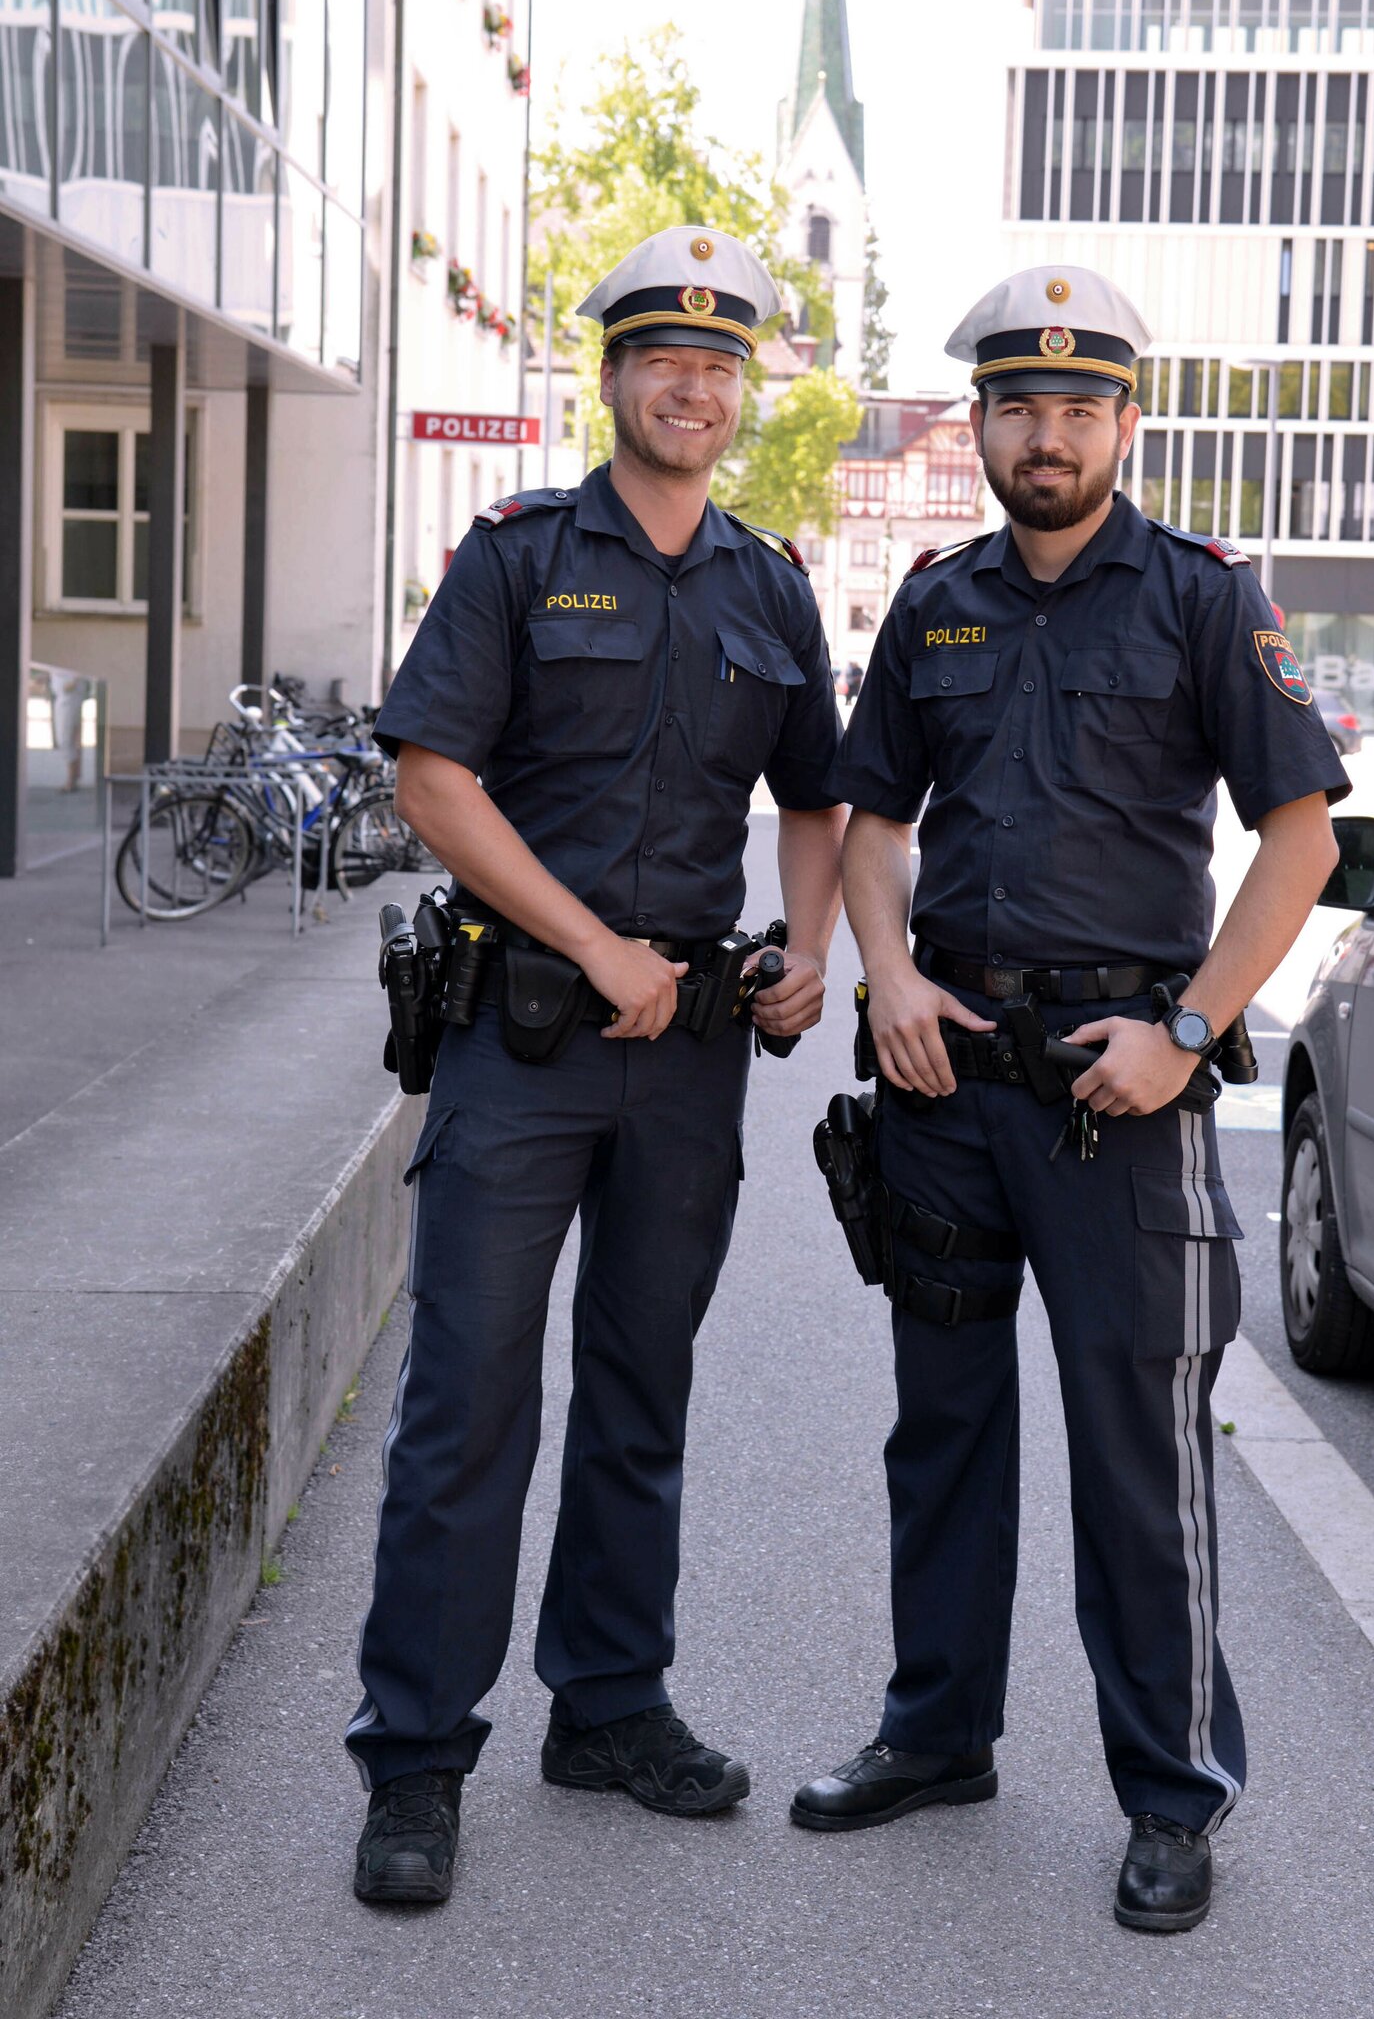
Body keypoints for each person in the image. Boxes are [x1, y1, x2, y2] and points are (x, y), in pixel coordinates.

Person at [794, 266, 1348, 1932]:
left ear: (1125, 425)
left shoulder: (1201, 600)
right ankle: (936, 1734)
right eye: (1020, 407)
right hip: (947, 1081)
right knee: (942, 1432)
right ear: (979, 426)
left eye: (1079, 409)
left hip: (1120, 1094)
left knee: (1136, 1453)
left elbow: (1302, 838)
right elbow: (874, 822)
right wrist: (889, 977)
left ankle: (1173, 1793)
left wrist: (1188, 1029)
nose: (1048, 435)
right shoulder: (937, 602)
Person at [346, 226, 845, 1904]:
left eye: (719, 368)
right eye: (664, 363)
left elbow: (817, 797)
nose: (692, 390)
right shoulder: (517, 557)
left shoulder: (772, 587)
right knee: (467, 1401)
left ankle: (610, 1707)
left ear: (740, 395)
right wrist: (595, 945)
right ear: (614, 378)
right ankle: (416, 1759)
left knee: (643, 1392)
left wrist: (806, 949)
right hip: (523, 1039)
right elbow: (434, 779)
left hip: (689, 1062)